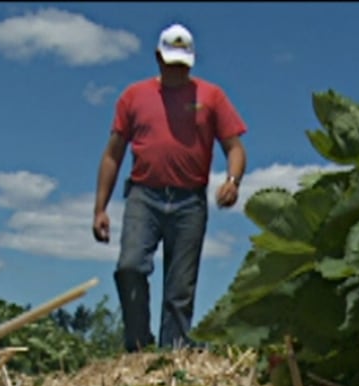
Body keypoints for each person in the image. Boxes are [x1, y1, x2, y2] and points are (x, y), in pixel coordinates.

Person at [92, 23, 248, 352]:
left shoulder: (211, 96)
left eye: (182, 64)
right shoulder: (134, 96)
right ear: (158, 59)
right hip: (143, 195)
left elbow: (234, 147)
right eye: (170, 62)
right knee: (130, 266)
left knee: (179, 291)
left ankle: (172, 359)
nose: (176, 70)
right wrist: (100, 208)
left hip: (189, 200)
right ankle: (138, 347)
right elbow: (113, 154)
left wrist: (233, 181)